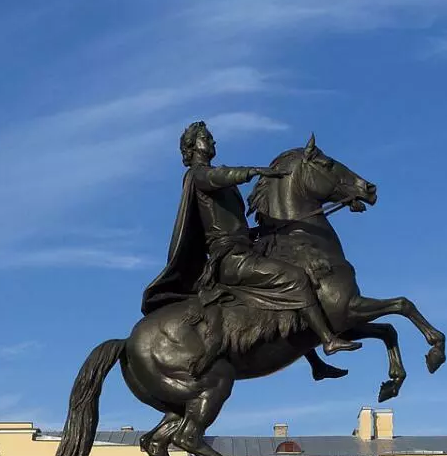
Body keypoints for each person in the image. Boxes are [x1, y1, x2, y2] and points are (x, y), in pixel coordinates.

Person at [141, 122, 360, 356]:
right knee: (295, 278)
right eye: (207, 138)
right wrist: (253, 171)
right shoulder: (197, 175)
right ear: (193, 147)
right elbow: (218, 177)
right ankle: (327, 340)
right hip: (231, 260)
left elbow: (231, 223)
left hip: (243, 250)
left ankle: (314, 360)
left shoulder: (214, 180)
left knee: (290, 271)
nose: (213, 142)